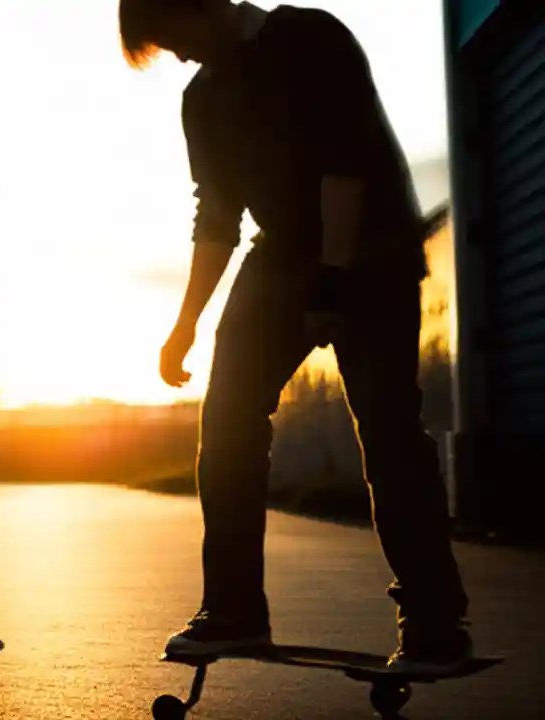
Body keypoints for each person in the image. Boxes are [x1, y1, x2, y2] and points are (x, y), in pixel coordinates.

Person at [117, 0, 472, 673]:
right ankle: (233, 610)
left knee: (389, 429)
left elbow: (348, 167)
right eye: (164, 46)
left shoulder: (308, 37)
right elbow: (216, 216)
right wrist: (185, 322)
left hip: (371, 250)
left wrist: (333, 286)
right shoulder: (202, 100)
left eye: (179, 34)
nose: (182, 55)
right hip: (279, 257)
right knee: (225, 421)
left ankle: (434, 621)